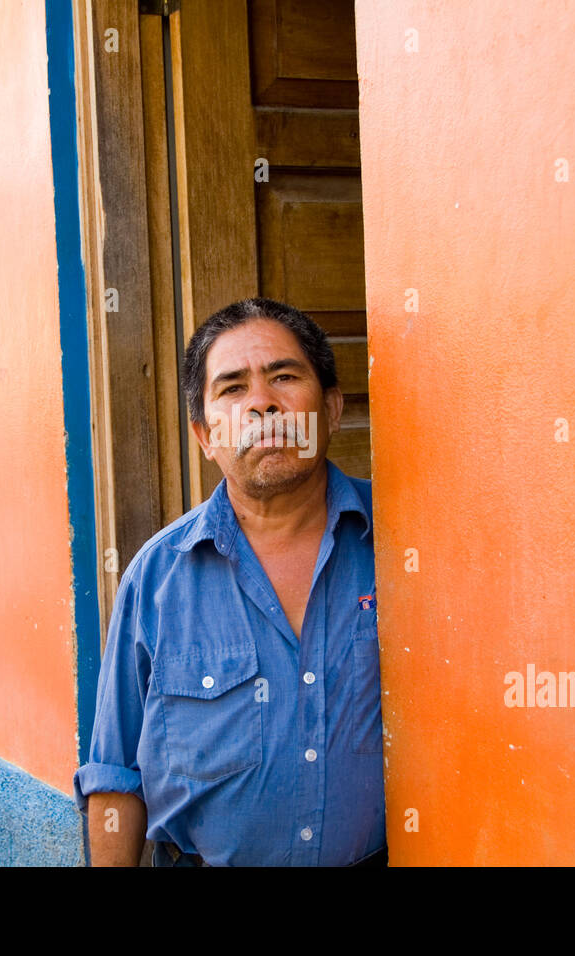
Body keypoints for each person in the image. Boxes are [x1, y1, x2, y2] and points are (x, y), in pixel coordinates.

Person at [72, 297, 386, 866]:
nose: (263, 403)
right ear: (204, 434)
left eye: (284, 377)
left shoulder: (404, 545)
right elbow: (116, 774)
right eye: (232, 388)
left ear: (333, 409)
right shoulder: (157, 579)